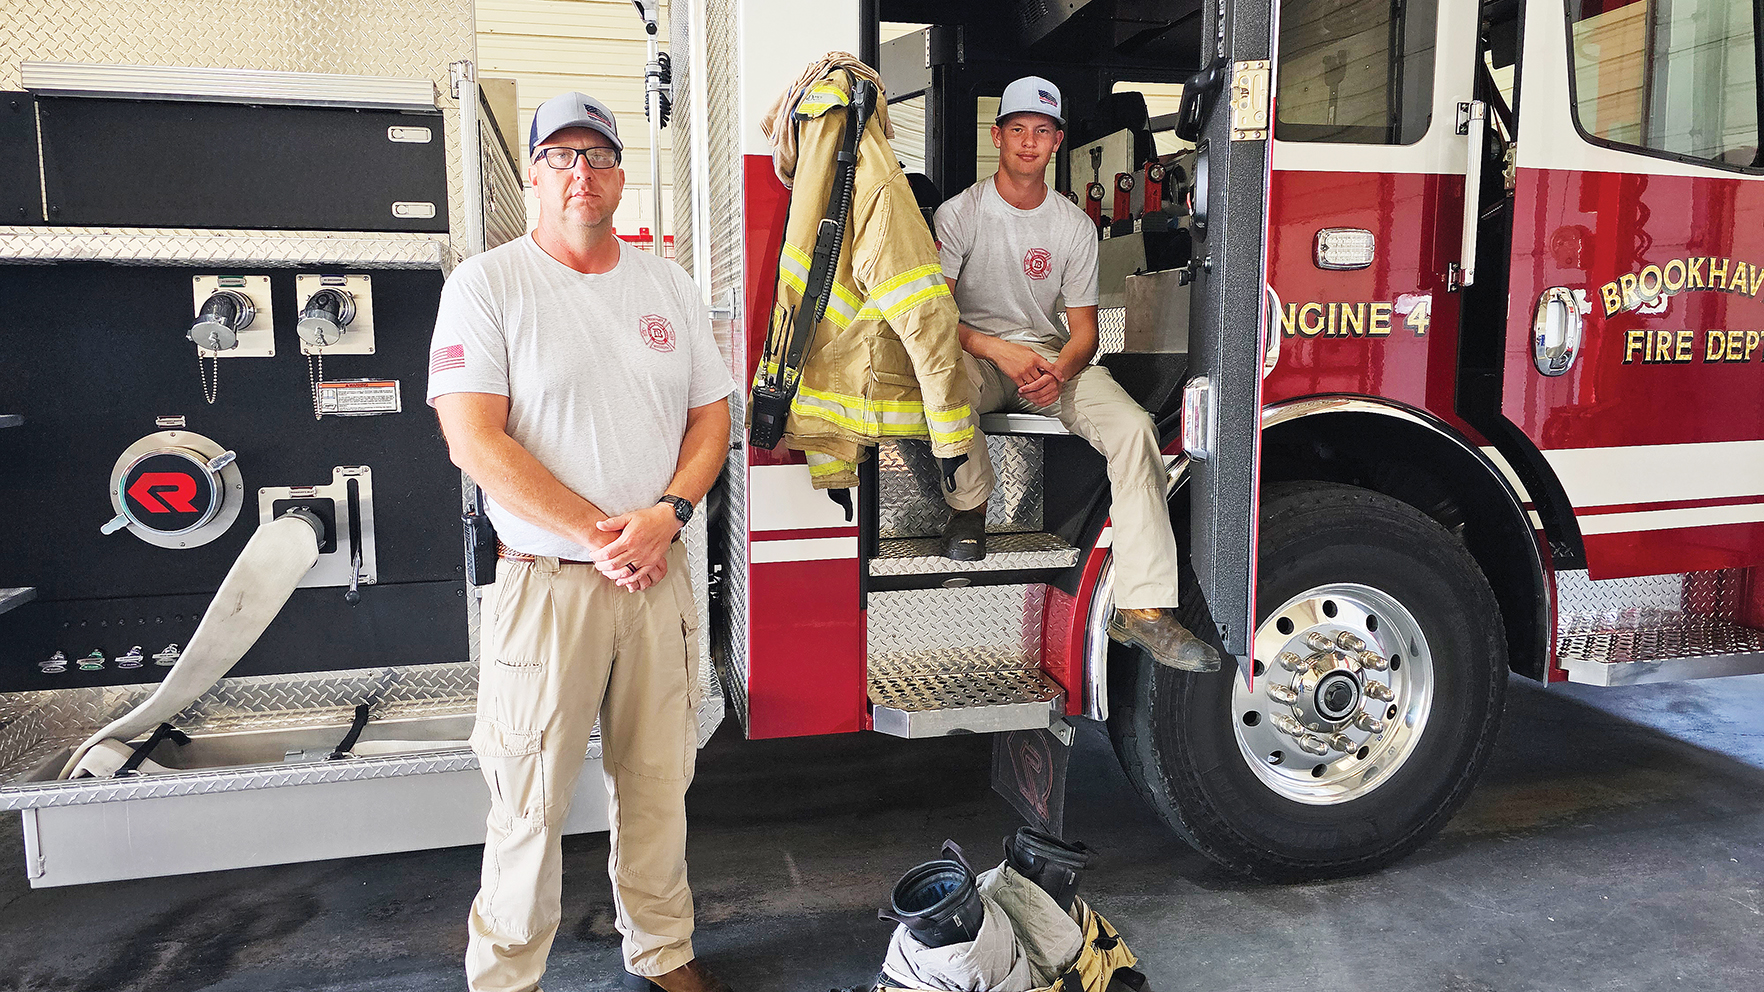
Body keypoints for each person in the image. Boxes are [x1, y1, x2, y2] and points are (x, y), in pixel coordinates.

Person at [427, 91, 736, 992]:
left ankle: (664, 952)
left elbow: (710, 420)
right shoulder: (487, 286)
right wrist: (600, 533)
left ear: (619, 173)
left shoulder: (667, 286)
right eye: (560, 157)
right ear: (532, 174)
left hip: (657, 575)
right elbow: (473, 439)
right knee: (528, 802)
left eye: (595, 157)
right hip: (548, 583)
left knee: (657, 785)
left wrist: (667, 516)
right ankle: (506, 977)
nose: (580, 175)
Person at [936, 76, 1219, 673]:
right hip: (973, 349)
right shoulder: (959, 214)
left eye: (1042, 131)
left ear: (1057, 142)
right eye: (1018, 130)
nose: (1029, 142)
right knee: (939, 379)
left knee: (1134, 430)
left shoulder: (1073, 225)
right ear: (998, 137)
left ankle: (1143, 611)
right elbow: (935, 320)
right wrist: (999, 351)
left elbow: (1084, 331)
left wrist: (1061, 370)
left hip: (1050, 352)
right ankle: (971, 505)